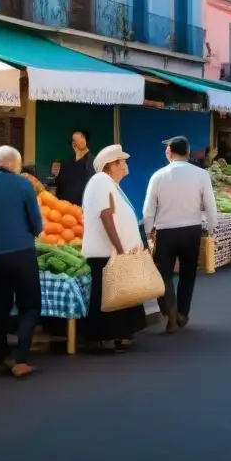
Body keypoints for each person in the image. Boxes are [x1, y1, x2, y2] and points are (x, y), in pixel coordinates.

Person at [0, 146, 42, 377]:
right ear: (15, 165)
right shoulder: (23, 184)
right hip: (21, 253)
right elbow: (37, 225)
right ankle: (20, 358)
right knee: (31, 305)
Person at [143, 137, 219, 333]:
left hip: (165, 232)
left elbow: (148, 210)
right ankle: (183, 313)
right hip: (191, 231)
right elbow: (210, 206)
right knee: (188, 274)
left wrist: (148, 232)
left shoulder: (158, 176)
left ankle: (171, 312)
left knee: (163, 275)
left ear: (169, 152)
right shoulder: (201, 175)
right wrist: (212, 228)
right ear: (188, 153)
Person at [80, 144, 148, 352]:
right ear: (111, 165)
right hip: (104, 253)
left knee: (118, 295)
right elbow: (105, 215)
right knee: (105, 297)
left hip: (114, 252)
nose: (126, 165)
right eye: (122, 161)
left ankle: (118, 335)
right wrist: (118, 247)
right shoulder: (101, 181)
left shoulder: (110, 184)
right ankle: (103, 339)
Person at [55, 128, 96, 205]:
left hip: (85, 209)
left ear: (85, 141)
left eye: (77, 139)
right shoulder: (66, 163)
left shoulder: (94, 163)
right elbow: (59, 185)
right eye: (73, 140)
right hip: (65, 209)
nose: (74, 142)